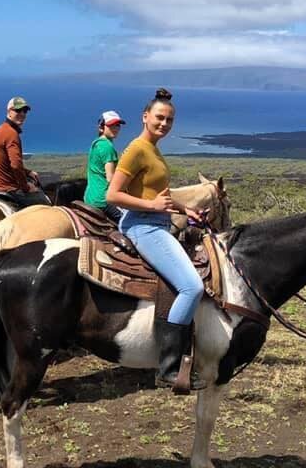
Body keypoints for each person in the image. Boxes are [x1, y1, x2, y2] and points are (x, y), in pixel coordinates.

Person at [105, 88, 206, 393]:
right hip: (144, 227)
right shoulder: (137, 149)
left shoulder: (153, 149)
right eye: (159, 117)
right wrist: (152, 206)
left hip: (157, 222)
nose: (164, 123)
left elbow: (159, 195)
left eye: (169, 120)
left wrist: (184, 209)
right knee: (192, 287)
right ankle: (168, 367)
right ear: (145, 116)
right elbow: (113, 195)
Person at [0, 97, 50, 209]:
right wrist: (26, 187)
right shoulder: (11, 133)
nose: (22, 114)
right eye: (18, 110)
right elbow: (15, 165)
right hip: (7, 189)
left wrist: (28, 172)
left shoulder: (1, 129)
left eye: (25, 111)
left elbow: (8, 163)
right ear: (9, 111)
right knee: (46, 202)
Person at [83, 110, 125, 222]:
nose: (115, 128)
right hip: (104, 199)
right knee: (130, 222)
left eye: (118, 125)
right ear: (101, 128)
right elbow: (111, 178)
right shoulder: (107, 147)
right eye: (111, 125)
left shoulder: (96, 143)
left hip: (90, 197)